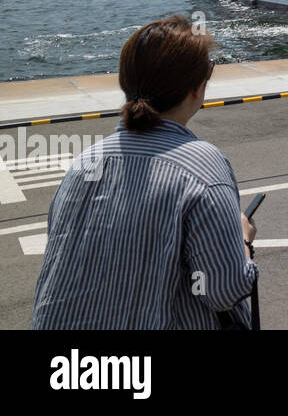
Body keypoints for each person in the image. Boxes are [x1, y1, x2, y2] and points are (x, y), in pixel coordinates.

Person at [32, 17, 258, 329]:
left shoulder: (85, 163)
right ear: (197, 87)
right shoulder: (202, 165)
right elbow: (223, 291)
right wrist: (242, 242)